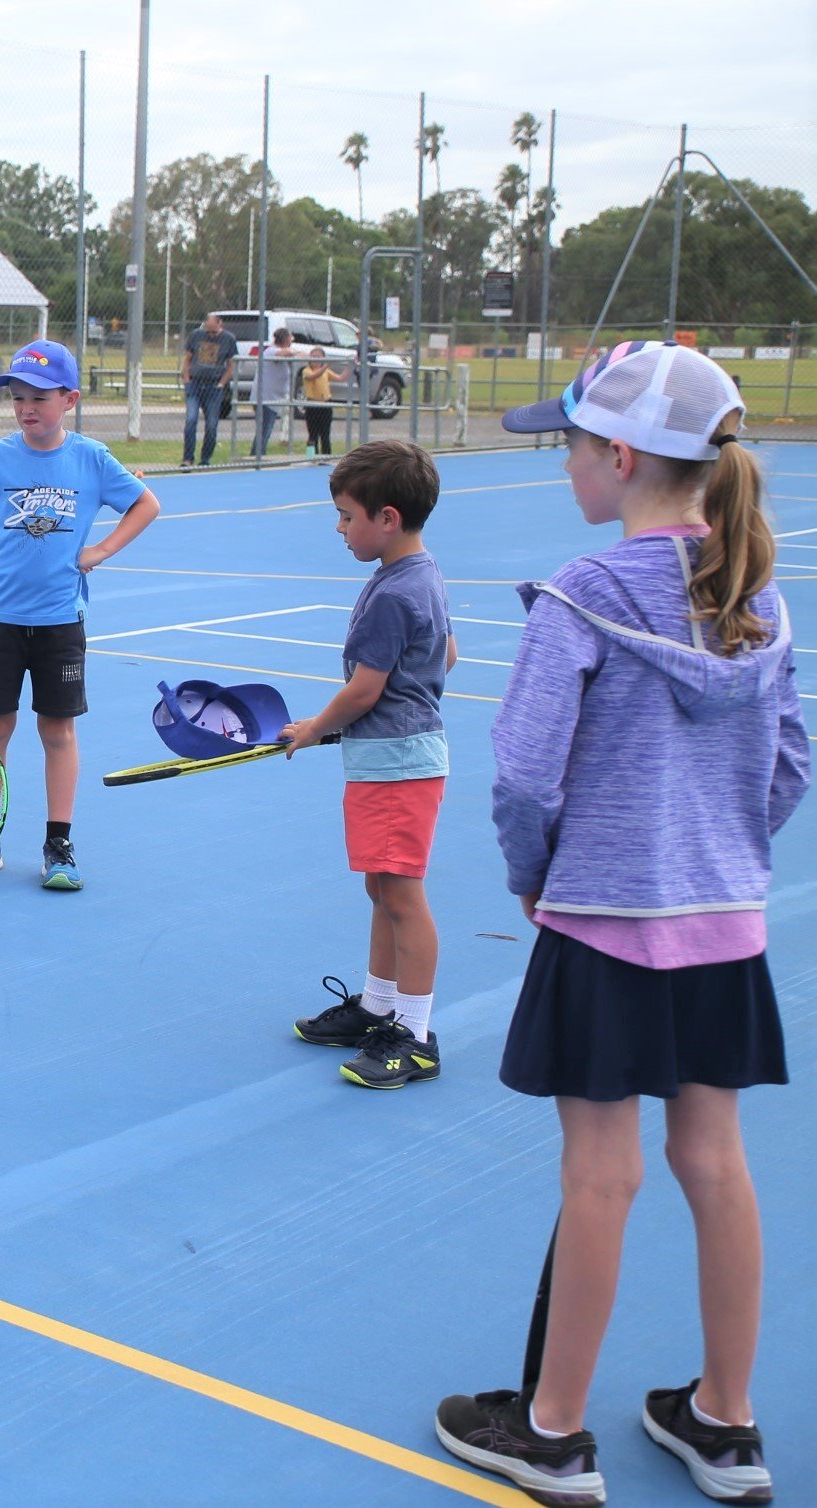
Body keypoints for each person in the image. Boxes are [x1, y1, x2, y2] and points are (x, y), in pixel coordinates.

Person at [434, 342, 804, 1506]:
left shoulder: (581, 596)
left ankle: (550, 1430)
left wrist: (535, 878)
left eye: (572, 444)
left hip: (600, 919)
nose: (565, 463)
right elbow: (789, 762)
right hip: (721, 923)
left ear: (621, 456)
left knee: (599, 1172)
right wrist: (726, 856)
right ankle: (726, 1422)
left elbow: (524, 777)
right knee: (713, 1159)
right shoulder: (756, 599)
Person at [0, 340, 162, 889]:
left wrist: (101, 552)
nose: (26, 408)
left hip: (59, 621)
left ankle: (58, 843)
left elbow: (145, 504)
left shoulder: (90, 458)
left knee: (57, 730)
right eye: (18, 397)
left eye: (39, 398)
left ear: (69, 399)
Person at [284, 440, 457, 1089]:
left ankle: (412, 1036)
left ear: (386, 518)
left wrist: (313, 729)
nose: (339, 528)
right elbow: (446, 655)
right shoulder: (420, 575)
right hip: (391, 756)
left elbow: (364, 688)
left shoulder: (391, 592)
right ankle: (378, 1008)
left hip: (397, 765)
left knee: (401, 895)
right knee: (381, 887)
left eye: (345, 515)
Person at [179, 312, 239, 466]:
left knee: (212, 425)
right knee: (191, 420)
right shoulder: (196, 336)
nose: (210, 334)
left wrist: (221, 383)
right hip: (195, 384)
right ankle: (188, 458)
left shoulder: (228, 339)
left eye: (214, 331)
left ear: (220, 325)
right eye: (208, 331)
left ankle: (205, 459)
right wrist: (187, 379)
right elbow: (187, 359)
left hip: (213, 386)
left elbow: (231, 365)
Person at [252, 326, 297, 458]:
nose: (292, 340)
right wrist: (297, 352)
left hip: (274, 398)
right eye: (290, 337)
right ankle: (256, 456)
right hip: (265, 399)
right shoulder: (271, 351)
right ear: (285, 339)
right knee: (264, 430)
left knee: (265, 430)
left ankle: (258, 455)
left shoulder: (278, 351)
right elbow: (285, 353)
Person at [300, 343, 349, 456]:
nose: (316, 359)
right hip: (312, 405)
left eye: (318, 357)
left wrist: (349, 366)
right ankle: (311, 457)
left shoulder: (325, 371)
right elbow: (314, 376)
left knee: (325, 434)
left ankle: (326, 457)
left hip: (325, 404)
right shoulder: (306, 371)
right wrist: (326, 366)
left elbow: (340, 378)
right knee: (313, 434)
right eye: (313, 357)